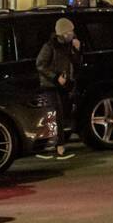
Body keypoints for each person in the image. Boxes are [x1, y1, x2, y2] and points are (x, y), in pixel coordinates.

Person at [35, 17, 81, 160]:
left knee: (59, 115)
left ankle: (56, 145)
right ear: (63, 33)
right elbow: (40, 64)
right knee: (54, 116)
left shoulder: (69, 46)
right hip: (50, 86)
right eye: (69, 32)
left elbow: (76, 64)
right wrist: (56, 77)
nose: (72, 34)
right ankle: (55, 146)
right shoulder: (50, 46)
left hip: (64, 86)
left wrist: (76, 50)